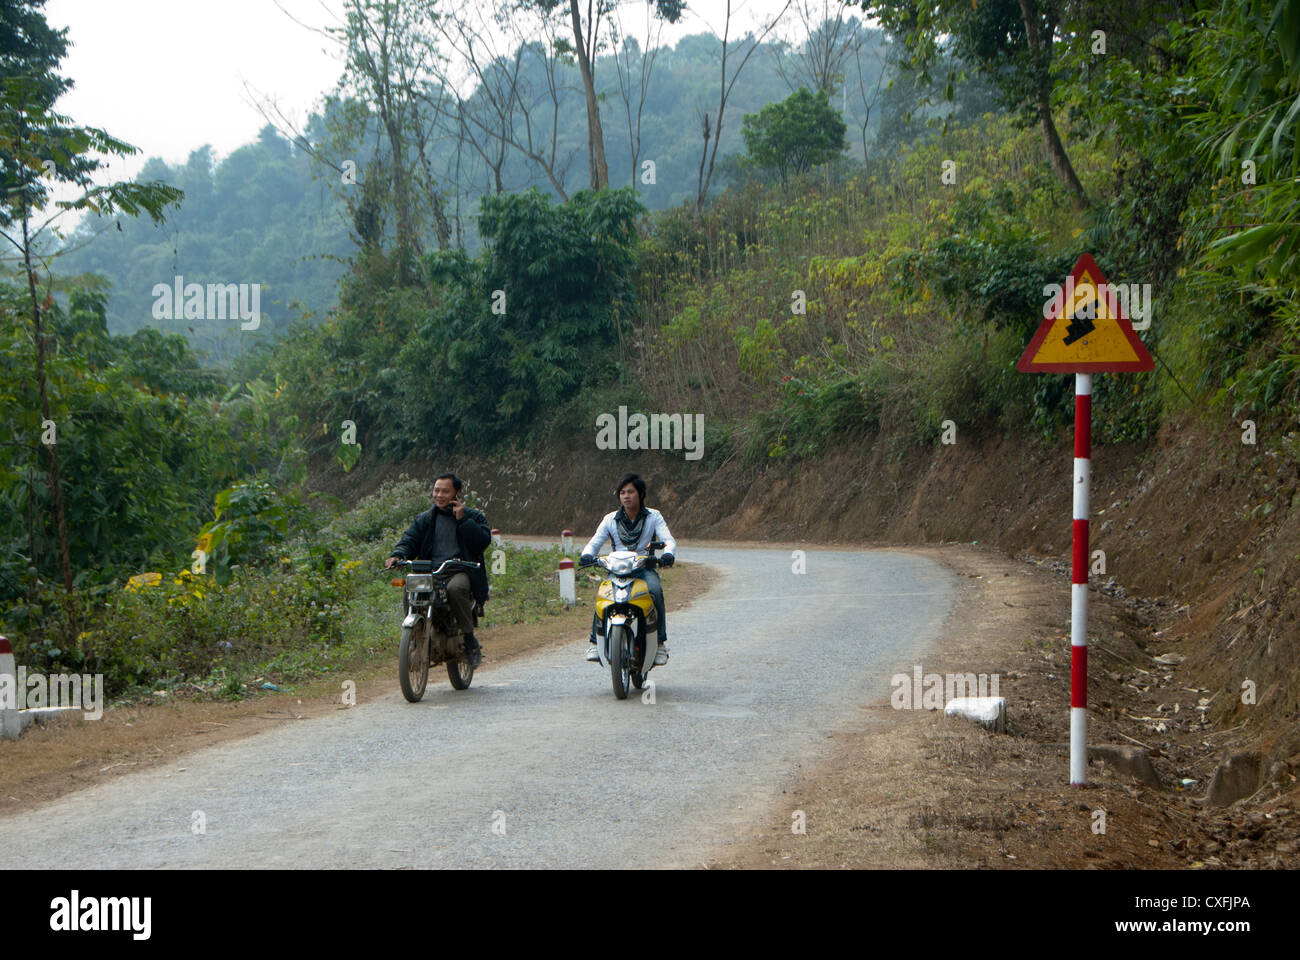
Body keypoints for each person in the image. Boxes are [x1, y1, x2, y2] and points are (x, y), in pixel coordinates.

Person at [385, 473, 491, 667]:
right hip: (431, 572)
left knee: (456, 589)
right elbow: (410, 540)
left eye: (445, 491)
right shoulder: (425, 519)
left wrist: (462, 520)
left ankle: (469, 641)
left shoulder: (473, 516)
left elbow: (482, 542)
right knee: (410, 589)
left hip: (458, 571)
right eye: (436, 490)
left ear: (456, 493)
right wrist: (398, 555)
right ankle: (415, 636)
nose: (439, 495)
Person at [580, 473, 676, 665]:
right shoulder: (610, 519)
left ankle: (659, 644)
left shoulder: (653, 516)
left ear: (640, 494)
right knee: (602, 596)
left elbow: (668, 540)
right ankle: (593, 642)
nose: (626, 496)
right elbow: (594, 542)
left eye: (630, 491)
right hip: (616, 570)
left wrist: (667, 554)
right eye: (622, 492)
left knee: (655, 591)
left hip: (643, 568)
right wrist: (587, 556)